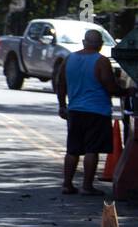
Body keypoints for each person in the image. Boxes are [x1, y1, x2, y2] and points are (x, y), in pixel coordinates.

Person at [55, 28, 134, 195]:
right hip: (96, 111)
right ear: (100, 44)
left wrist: (62, 105)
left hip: (75, 110)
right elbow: (109, 85)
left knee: (73, 149)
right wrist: (126, 92)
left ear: (84, 42)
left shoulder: (69, 59)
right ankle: (87, 186)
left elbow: (60, 83)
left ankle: (67, 185)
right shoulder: (101, 61)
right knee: (92, 149)